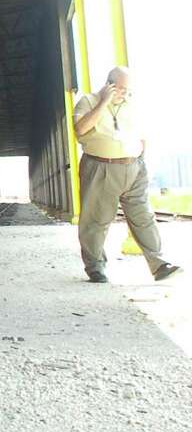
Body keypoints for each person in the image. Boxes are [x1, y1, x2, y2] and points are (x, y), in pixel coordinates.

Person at [73, 66, 181, 283]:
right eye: (120, 89)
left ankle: (159, 264)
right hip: (102, 167)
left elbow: (142, 134)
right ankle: (95, 267)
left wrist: (141, 158)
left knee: (143, 216)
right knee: (96, 220)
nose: (125, 94)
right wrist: (104, 102)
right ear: (109, 84)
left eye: (128, 90)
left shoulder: (132, 105)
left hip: (134, 167)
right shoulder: (89, 101)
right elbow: (81, 129)